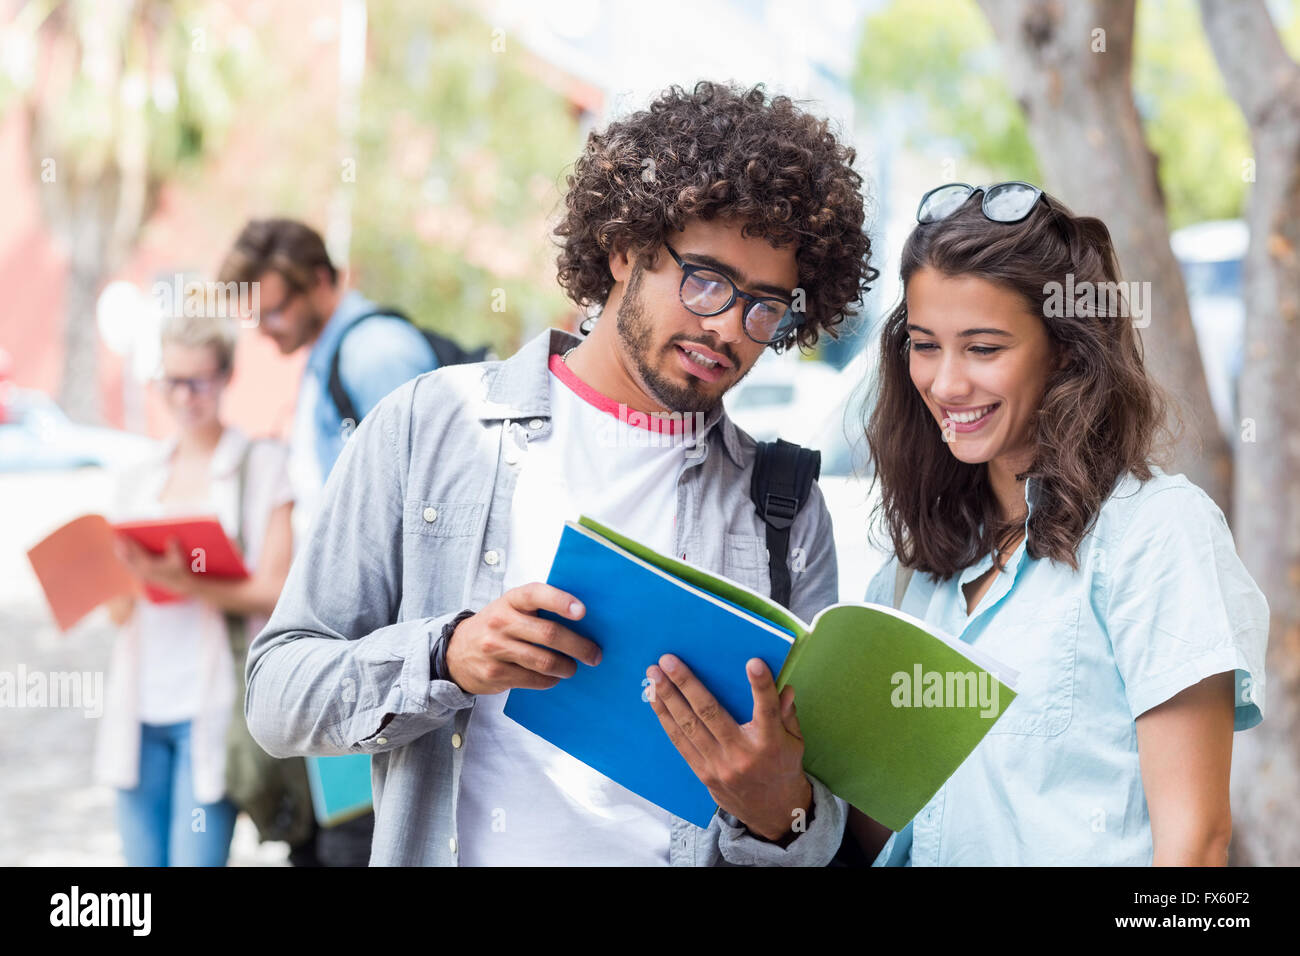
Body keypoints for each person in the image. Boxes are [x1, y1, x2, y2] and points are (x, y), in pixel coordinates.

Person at [244, 80, 876, 865]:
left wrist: (776, 809)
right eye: (706, 280)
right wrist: (448, 657)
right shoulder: (429, 426)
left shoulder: (784, 506)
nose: (727, 328)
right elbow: (276, 696)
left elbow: (814, 827)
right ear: (623, 249)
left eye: (763, 306)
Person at [851, 182, 1269, 866]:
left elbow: (1195, 845)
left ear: (1068, 351)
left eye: (983, 348)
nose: (946, 384)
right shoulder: (910, 579)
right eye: (925, 345)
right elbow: (883, 833)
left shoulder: (1155, 533)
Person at [216, 218, 441, 865]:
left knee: (354, 844)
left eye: (276, 310)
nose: (265, 330)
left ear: (321, 281)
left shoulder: (375, 355)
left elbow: (423, 512)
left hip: (380, 657)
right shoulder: (327, 358)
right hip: (348, 657)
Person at [95, 311, 296, 866]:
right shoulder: (138, 477)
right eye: (172, 381)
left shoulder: (262, 466)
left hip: (212, 707)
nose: (184, 397)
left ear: (226, 376)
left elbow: (277, 592)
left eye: (198, 381)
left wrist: (191, 583)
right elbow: (118, 612)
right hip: (139, 706)